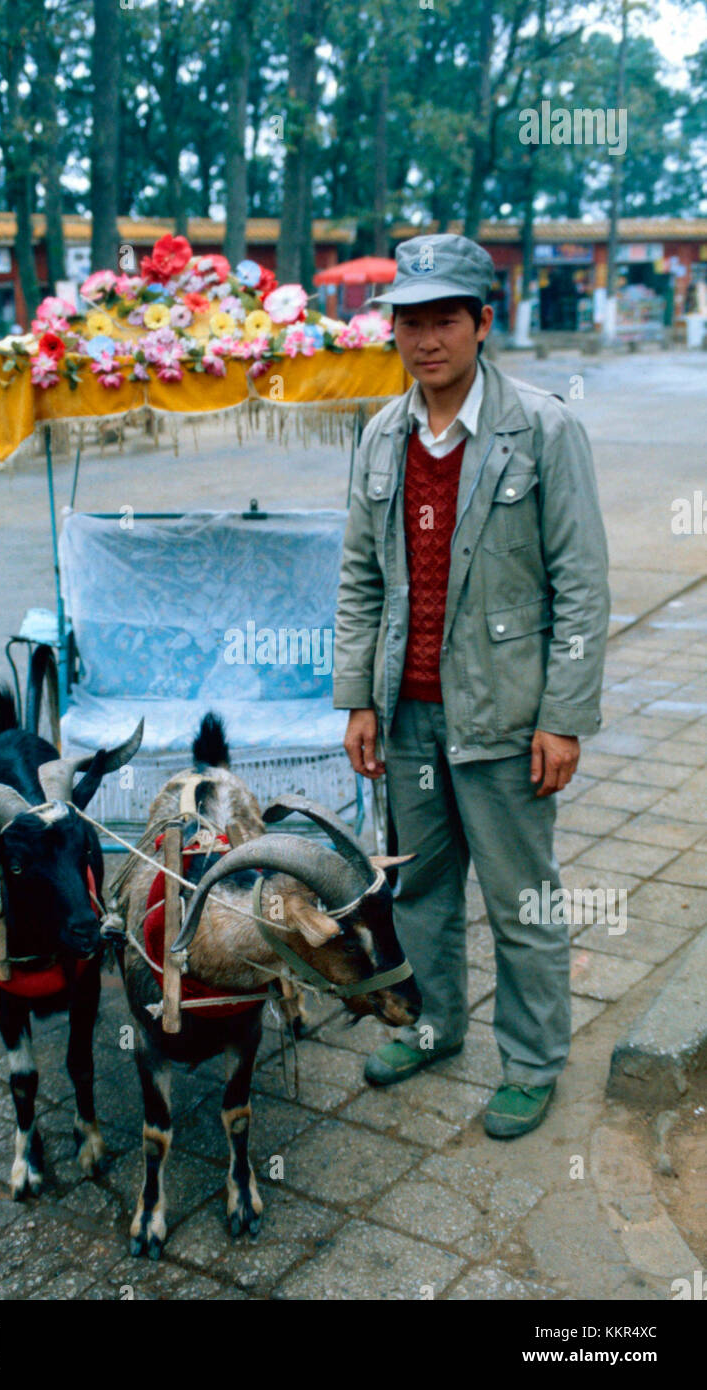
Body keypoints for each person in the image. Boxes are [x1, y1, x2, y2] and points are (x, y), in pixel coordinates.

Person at [333, 232, 610, 1138]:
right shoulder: (381, 437)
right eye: (409, 322)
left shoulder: (544, 427)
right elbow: (361, 579)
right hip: (409, 716)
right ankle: (437, 1026)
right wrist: (360, 699)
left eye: (444, 319)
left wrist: (563, 717)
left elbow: (581, 582)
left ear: (481, 324)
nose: (425, 339)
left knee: (523, 901)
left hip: (505, 715)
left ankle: (531, 1064)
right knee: (420, 892)